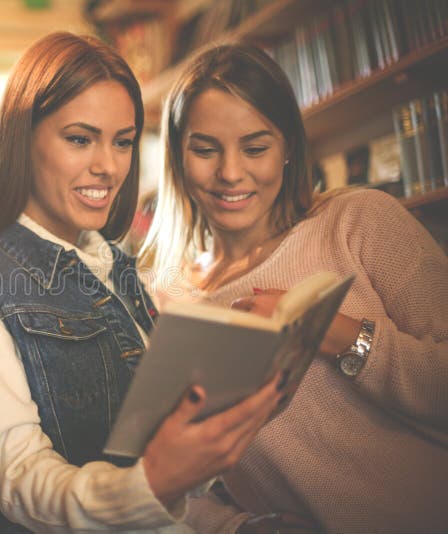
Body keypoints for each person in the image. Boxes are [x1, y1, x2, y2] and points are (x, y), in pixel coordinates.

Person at [0, 32, 285, 534]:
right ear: (23, 137)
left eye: (122, 142)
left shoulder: (120, 269)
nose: (108, 165)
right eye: (80, 139)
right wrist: (152, 481)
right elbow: (20, 480)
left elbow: (167, 473)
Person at [140, 42, 448, 534]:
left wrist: (334, 333)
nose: (231, 173)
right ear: (177, 155)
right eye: (205, 149)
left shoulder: (360, 221)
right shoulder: (166, 299)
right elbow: (169, 482)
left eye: (255, 147)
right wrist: (236, 526)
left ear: (287, 148)